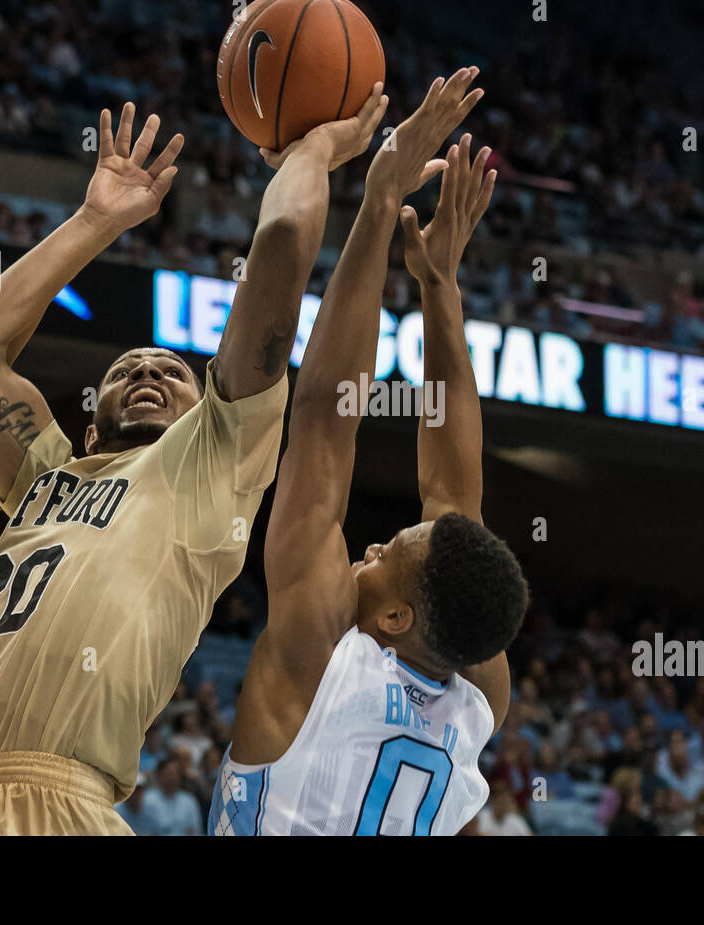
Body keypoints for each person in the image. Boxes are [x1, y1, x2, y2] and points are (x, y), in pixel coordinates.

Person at [0, 91, 387, 835]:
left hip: (66, 805)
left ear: (201, 410)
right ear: (87, 422)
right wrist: (96, 221)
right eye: (125, 368)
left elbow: (277, 258)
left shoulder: (206, 468)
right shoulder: (45, 479)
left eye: (170, 371)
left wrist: (311, 155)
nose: (144, 371)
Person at [211, 69, 529, 836]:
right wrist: (438, 285)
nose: (376, 541)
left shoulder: (319, 650)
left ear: (392, 614)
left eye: (390, 551)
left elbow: (323, 417)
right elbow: (456, 504)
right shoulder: (478, 692)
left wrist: (381, 201)